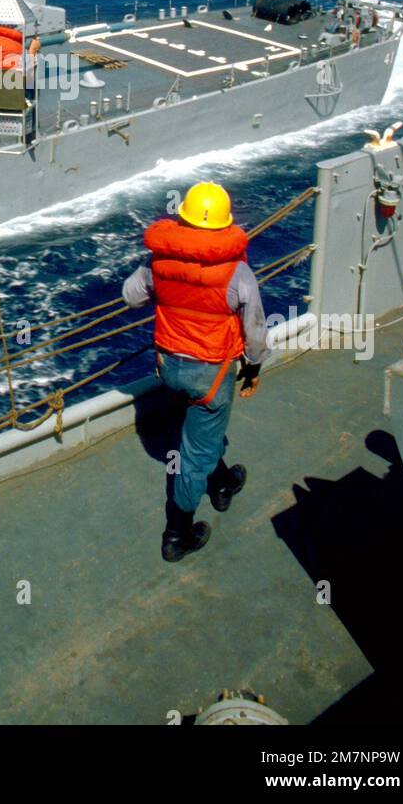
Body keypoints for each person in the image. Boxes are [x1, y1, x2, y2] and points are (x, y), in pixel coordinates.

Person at [122, 181, 268, 564]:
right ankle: (177, 534)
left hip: (169, 369)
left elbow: (130, 296)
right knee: (194, 453)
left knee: (201, 433)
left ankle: (221, 484)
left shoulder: (158, 262)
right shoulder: (237, 273)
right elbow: (254, 330)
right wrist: (253, 368)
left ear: (183, 218)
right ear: (224, 226)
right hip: (211, 376)